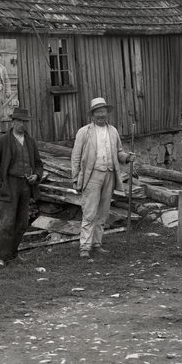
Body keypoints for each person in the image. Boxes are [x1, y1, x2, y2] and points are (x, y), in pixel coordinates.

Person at [70, 96, 135, 261]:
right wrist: (76, 177)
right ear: (92, 115)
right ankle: (85, 247)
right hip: (92, 176)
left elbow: (119, 153)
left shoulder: (112, 131)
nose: (101, 115)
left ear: (107, 112)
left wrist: (127, 157)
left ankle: (97, 243)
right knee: (90, 211)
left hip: (109, 175)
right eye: (97, 112)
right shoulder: (84, 132)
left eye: (103, 111)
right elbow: (75, 157)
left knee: (103, 213)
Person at [0, 107, 45, 269]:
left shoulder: (30, 142)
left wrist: (36, 176)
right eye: (19, 121)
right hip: (9, 184)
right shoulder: (2, 141)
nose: (22, 125)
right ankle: (1, 258)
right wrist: (0, 185)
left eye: (24, 122)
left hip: (26, 185)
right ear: (13, 121)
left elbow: (38, 164)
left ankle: (12, 254)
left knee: (22, 223)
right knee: (7, 223)